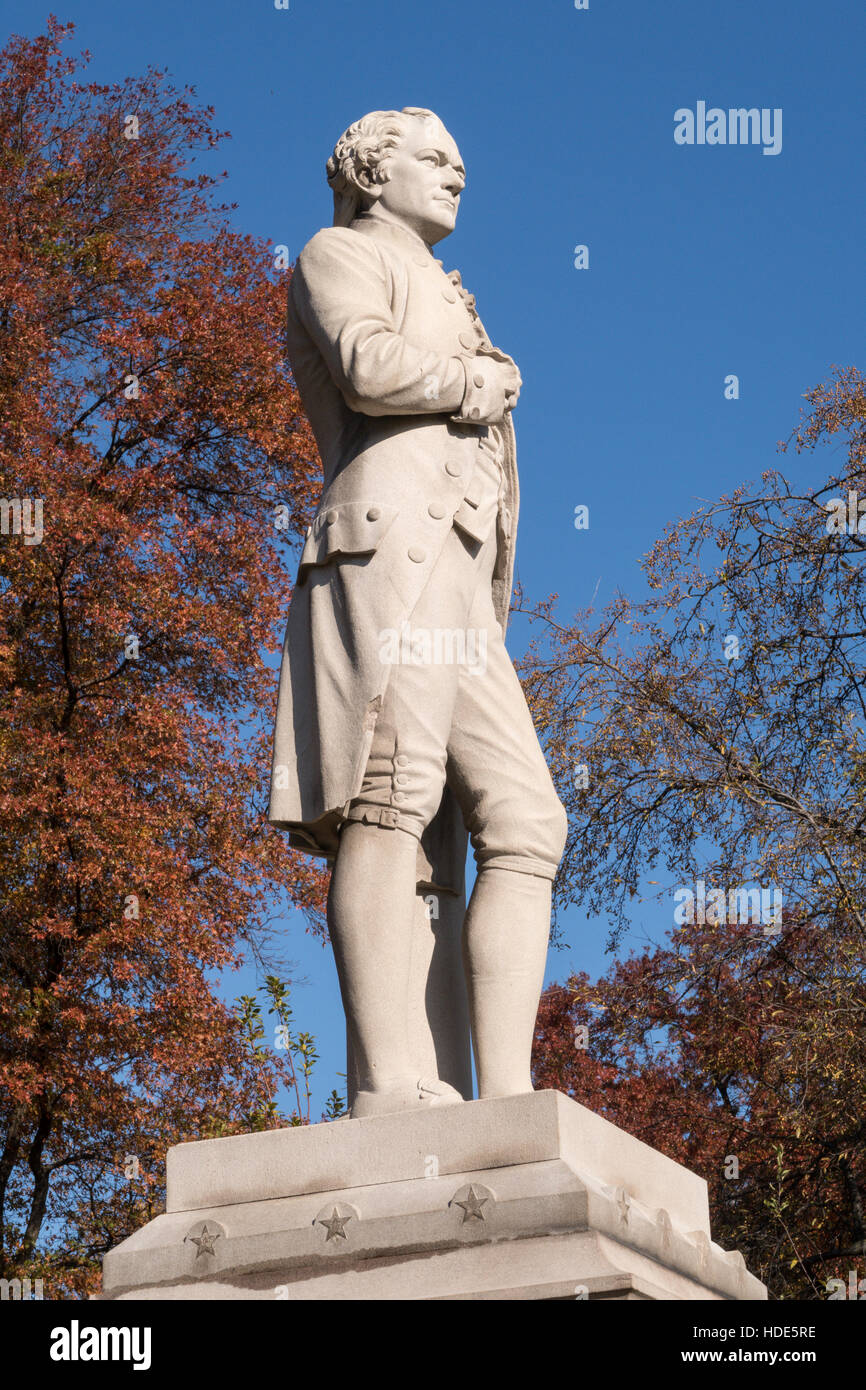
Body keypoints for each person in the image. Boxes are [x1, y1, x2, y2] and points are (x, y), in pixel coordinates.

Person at [269, 107, 567, 1117]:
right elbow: (364, 364)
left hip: (461, 585)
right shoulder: (336, 250)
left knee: (527, 822)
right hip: (389, 558)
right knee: (388, 800)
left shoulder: (450, 287)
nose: (459, 171)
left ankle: (510, 1096)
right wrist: (473, 384)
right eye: (434, 159)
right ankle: (390, 1087)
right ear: (370, 169)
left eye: (459, 158)